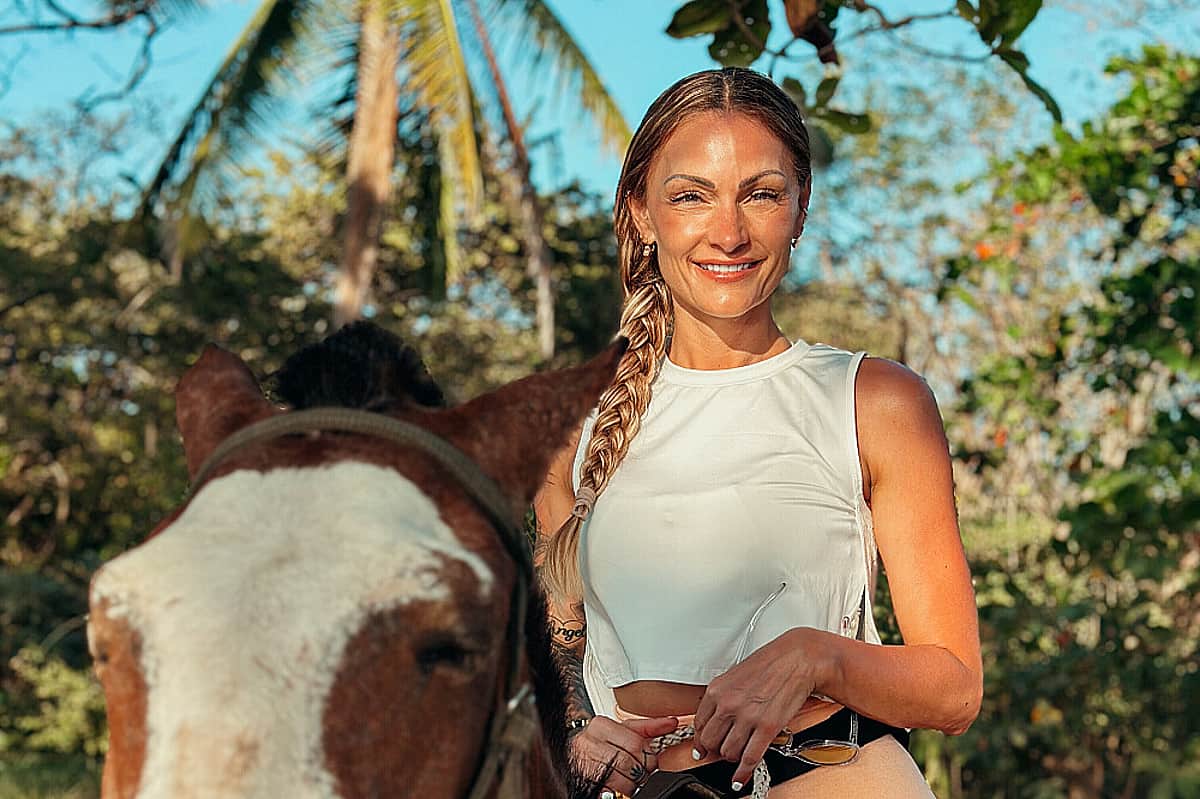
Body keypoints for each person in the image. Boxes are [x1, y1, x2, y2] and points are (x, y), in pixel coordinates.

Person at [534, 67, 981, 799]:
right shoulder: (572, 426)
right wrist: (570, 729)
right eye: (691, 196)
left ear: (800, 210)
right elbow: (559, 643)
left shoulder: (874, 400)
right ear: (642, 213)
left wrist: (817, 656)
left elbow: (955, 687)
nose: (730, 232)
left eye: (763, 194)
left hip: (832, 778)